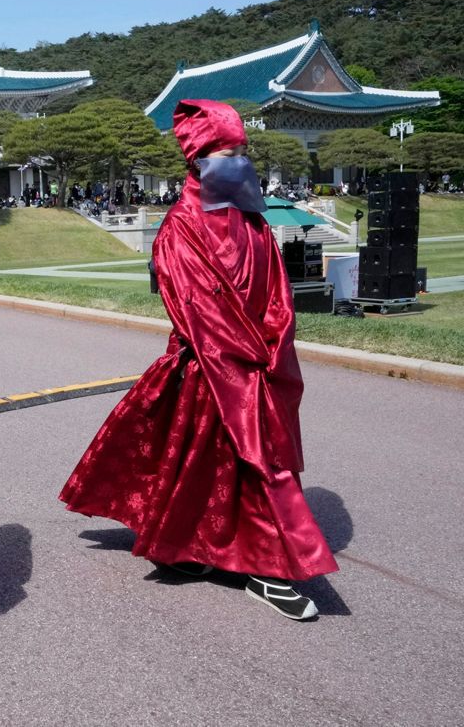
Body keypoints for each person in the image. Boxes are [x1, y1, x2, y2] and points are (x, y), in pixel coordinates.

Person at [59, 99, 338, 622]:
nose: (239, 161)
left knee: (216, 464)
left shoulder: (251, 217)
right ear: (200, 159)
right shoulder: (182, 225)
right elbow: (198, 310)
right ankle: (271, 567)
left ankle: (208, 549)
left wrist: (275, 341)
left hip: (258, 360)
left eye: (242, 152)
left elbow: (279, 290)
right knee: (250, 462)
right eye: (228, 152)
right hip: (213, 365)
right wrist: (248, 359)